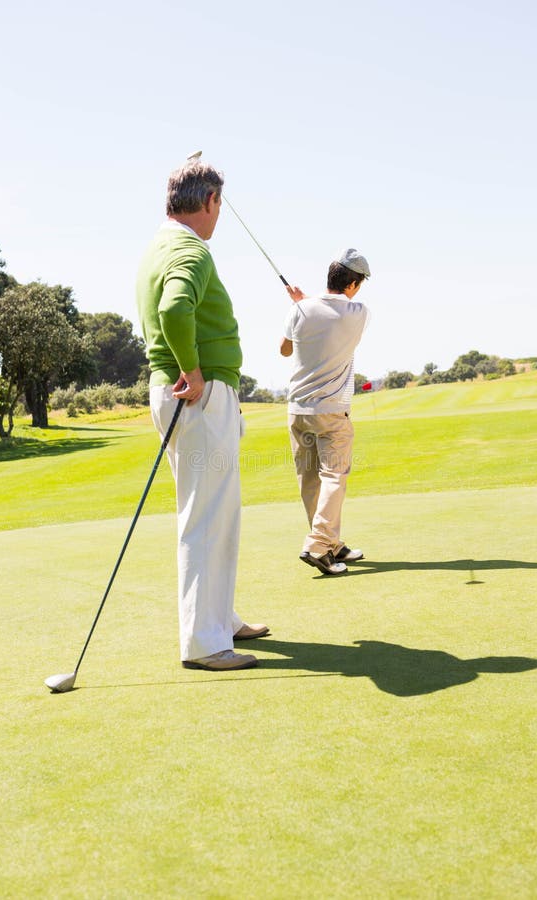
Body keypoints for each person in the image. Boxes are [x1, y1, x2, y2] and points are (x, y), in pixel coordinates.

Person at [136, 158, 268, 670]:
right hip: (197, 394)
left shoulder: (159, 245)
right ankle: (204, 643)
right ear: (210, 201)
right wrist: (192, 369)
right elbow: (173, 309)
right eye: (220, 205)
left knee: (217, 513)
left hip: (184, 395)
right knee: (207, 517)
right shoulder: (190, 249)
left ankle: (220, 619)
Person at [280, 248, 371, 575]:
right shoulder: (359, 312)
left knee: (310, 481)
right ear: (353, 285)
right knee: (334, 477)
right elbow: (330, 319)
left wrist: (301, 307)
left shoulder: (301, 310)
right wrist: (304, 306)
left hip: (297, 410)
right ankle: (318, 545)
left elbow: (285, 349)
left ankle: (331, 545)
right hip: (332, 411)